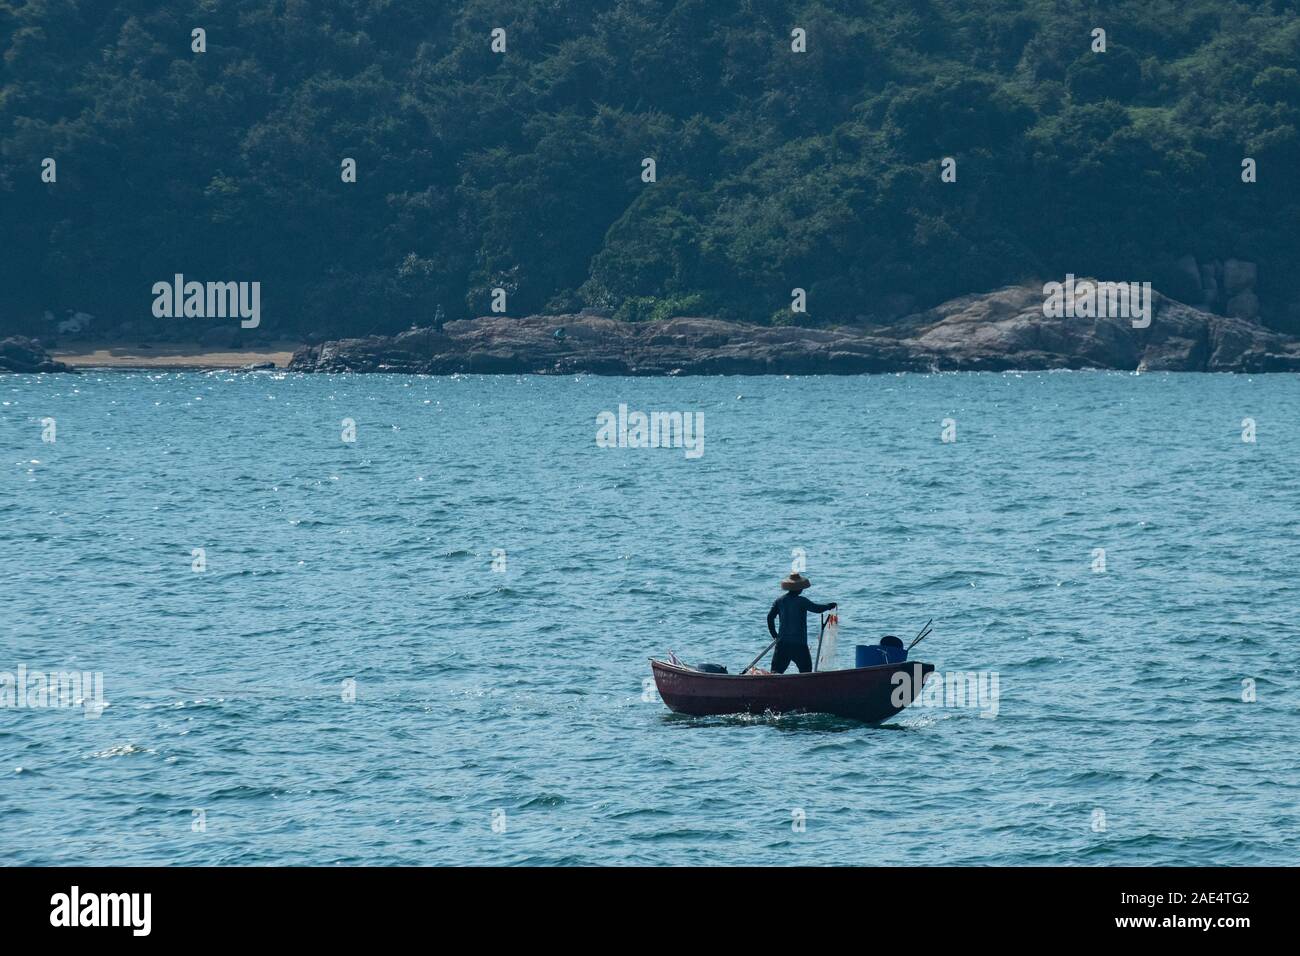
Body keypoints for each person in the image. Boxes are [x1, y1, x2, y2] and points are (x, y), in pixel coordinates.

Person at [766, 572, 836, 674]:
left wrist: (774, 635)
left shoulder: (779, 601)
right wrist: (829, 606)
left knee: (776, 672)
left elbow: (770, 617)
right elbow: (816, 608)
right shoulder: (802, 601)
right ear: (799, 589)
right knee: (806, 671)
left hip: (782, 643)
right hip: (799, 643)